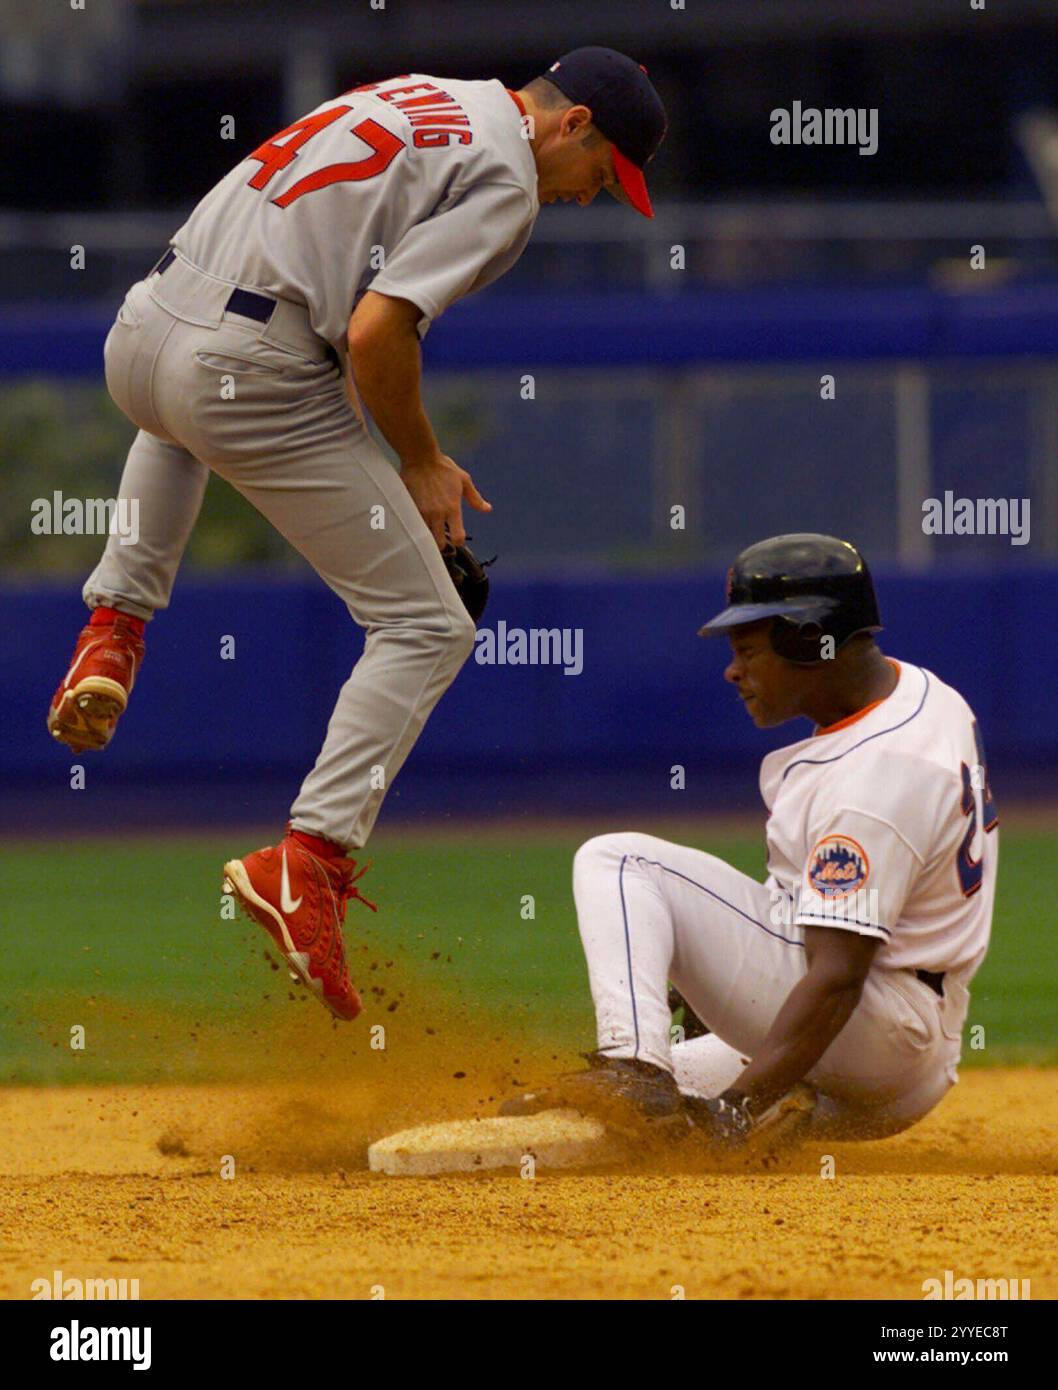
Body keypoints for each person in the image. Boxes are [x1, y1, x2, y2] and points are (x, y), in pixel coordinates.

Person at [46, 48, 667, 1021]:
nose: (591, 197)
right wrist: (417, 461)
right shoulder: (507, 176)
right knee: (430, 624)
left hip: (146, 332)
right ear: (570, 122)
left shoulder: (417, 94)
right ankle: (310, 861)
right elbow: (379, 333)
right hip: (249, 366)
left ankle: (113, 628)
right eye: (604, 175)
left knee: (175, 419)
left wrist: (399, 454)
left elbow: (327, 300)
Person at [504, 534, 998, 1151]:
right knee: (582, 1119)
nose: (732, 669)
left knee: (618, 859)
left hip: (872, 1028)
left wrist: (734, 1112)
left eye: (747, 648)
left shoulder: (873, 782)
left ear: (804, 638)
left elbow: (838, 976)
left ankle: (635, 1070)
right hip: (908, 1046)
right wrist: (700, 957)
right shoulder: (920, 694)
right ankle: (768, 1105)